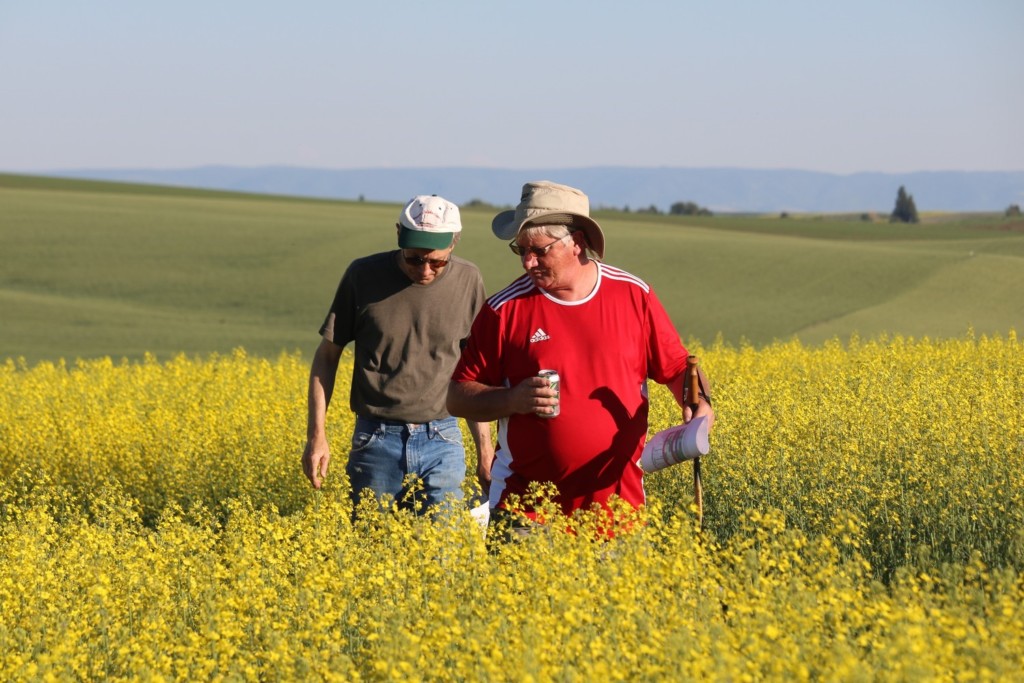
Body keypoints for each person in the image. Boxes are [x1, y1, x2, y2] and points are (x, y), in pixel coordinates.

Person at [446, 181, 713, 533]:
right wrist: (512, 399)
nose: (528, 262)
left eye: (539, 251)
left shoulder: (633, 296)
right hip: (526, 514)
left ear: (577, 243)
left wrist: (700, 403)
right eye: (520, 250)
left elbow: (678, 366)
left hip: (618, 512)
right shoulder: (503, 310)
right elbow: (457, 396)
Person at [302, 194, 493, 515]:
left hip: (443, 438)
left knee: (443, 555)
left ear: (455, 242)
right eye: (414, 259)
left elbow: (472, 371)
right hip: (375, 439)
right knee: (373, 553)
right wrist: (316, 437)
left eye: (437, 261)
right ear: (398, 236)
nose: (425, 269)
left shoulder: (468, 279)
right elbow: (327, 357)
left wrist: (485, 449)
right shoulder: (363, 275)